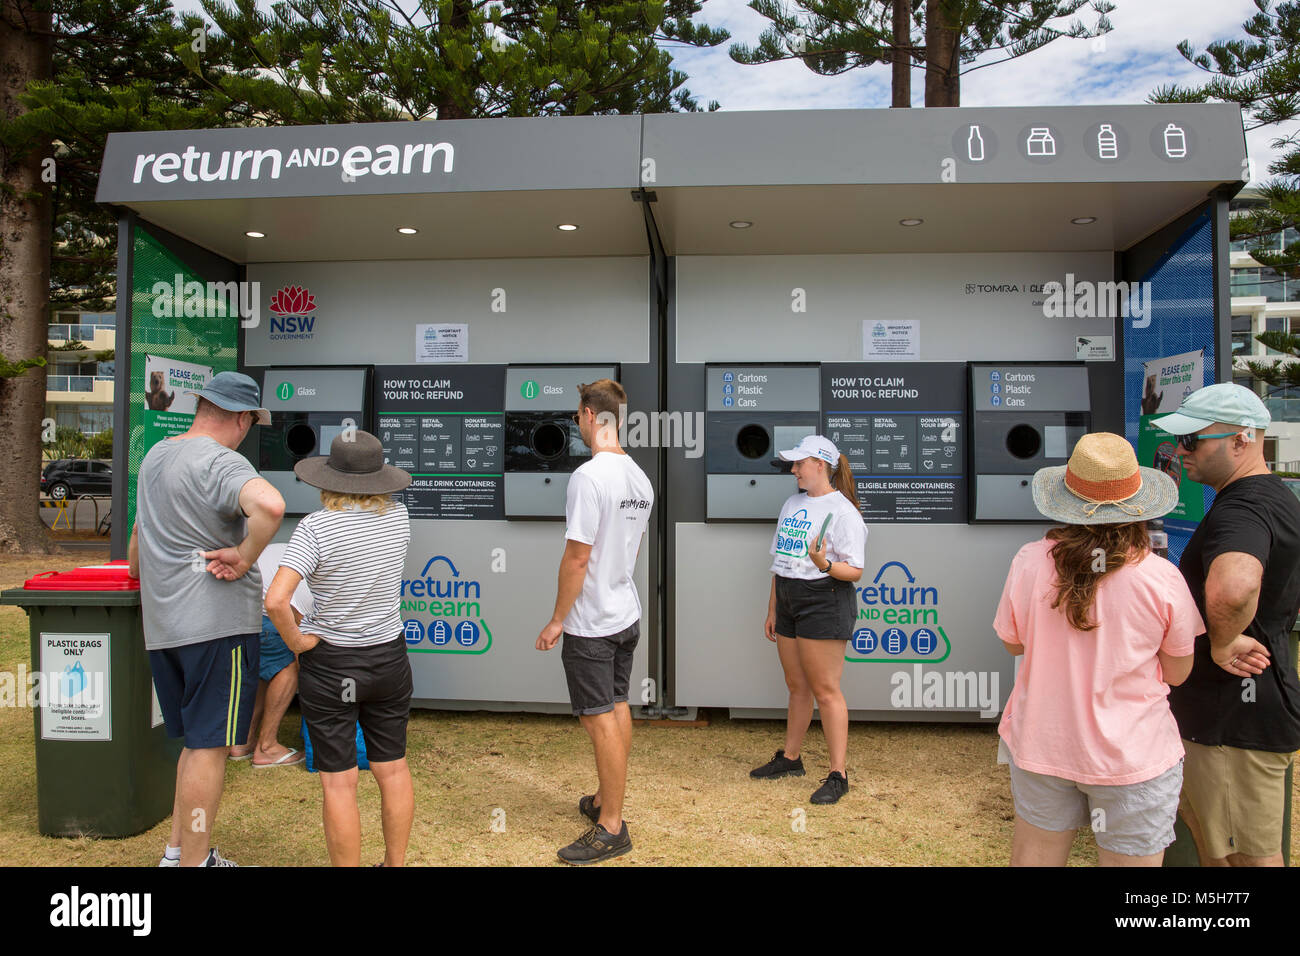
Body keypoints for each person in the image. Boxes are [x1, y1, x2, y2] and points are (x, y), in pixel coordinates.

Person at [993, 432, 1200, 867]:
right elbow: (1179, 672)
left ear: (1066, 499)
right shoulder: (1160, 577)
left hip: (1044, 746)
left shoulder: (1030, 560)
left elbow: (1013, 642)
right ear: (1138, 504)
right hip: (1132, 755)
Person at [129, 371, 285, 867]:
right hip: (218, 626)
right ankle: (196, 864)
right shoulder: (223, 460)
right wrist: (243, 553)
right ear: (241, 418)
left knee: (196, 745)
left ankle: (177, 855)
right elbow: (270, 504)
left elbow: (138, 542)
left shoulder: (156, 456)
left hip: (164, 626)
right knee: (211, 748)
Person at [1153, 383, 1300, 867]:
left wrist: (1222, 642)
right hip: (1226, 714)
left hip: (1234, 712)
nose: (1179, 451)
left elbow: (1234, 585)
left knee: (1246, 857)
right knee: (1218, 846)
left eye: (1193, 439)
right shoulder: (1255, 499)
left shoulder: (1244, 506)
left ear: (1242, 439)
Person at [265, 430, 413, 867]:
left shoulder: (315, 528)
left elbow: (276, 600)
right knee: (393, 769)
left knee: (339, 782)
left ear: (328, 478)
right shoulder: (400, 517)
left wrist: (297, 642)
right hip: (388, 658)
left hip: (332, 664)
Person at [535, 379, 653, 865]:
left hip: (590, 624)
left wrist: (557, 619)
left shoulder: (588, 476)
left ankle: (611, 827)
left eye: (576, 416)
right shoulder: (639, 477)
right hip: (625, 614)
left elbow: (577, 557)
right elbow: (631, 549)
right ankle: (607, 801)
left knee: (596, 716)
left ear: (588, 414)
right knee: (617, 705)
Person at [752, 435, 865, 805]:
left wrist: (825, 564)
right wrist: (773, 609)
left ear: (821, 465)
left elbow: (855, 571)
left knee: (826, 690)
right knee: (796, 684)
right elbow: (780, 560)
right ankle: (791, 758)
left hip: (824, 599)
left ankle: (838, 774)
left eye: (799, 464)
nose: (794, 470)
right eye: (794, 465)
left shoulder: (845, 512)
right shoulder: (792, 503)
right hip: (788, 596)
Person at [227, 542, 312, 768]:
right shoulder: (312, 576)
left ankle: (241, 741)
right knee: (287, 670)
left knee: (267, 672)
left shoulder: (291, 548)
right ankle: (267, 747)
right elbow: (295, 624)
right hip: (265, 615)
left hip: (233, 614)